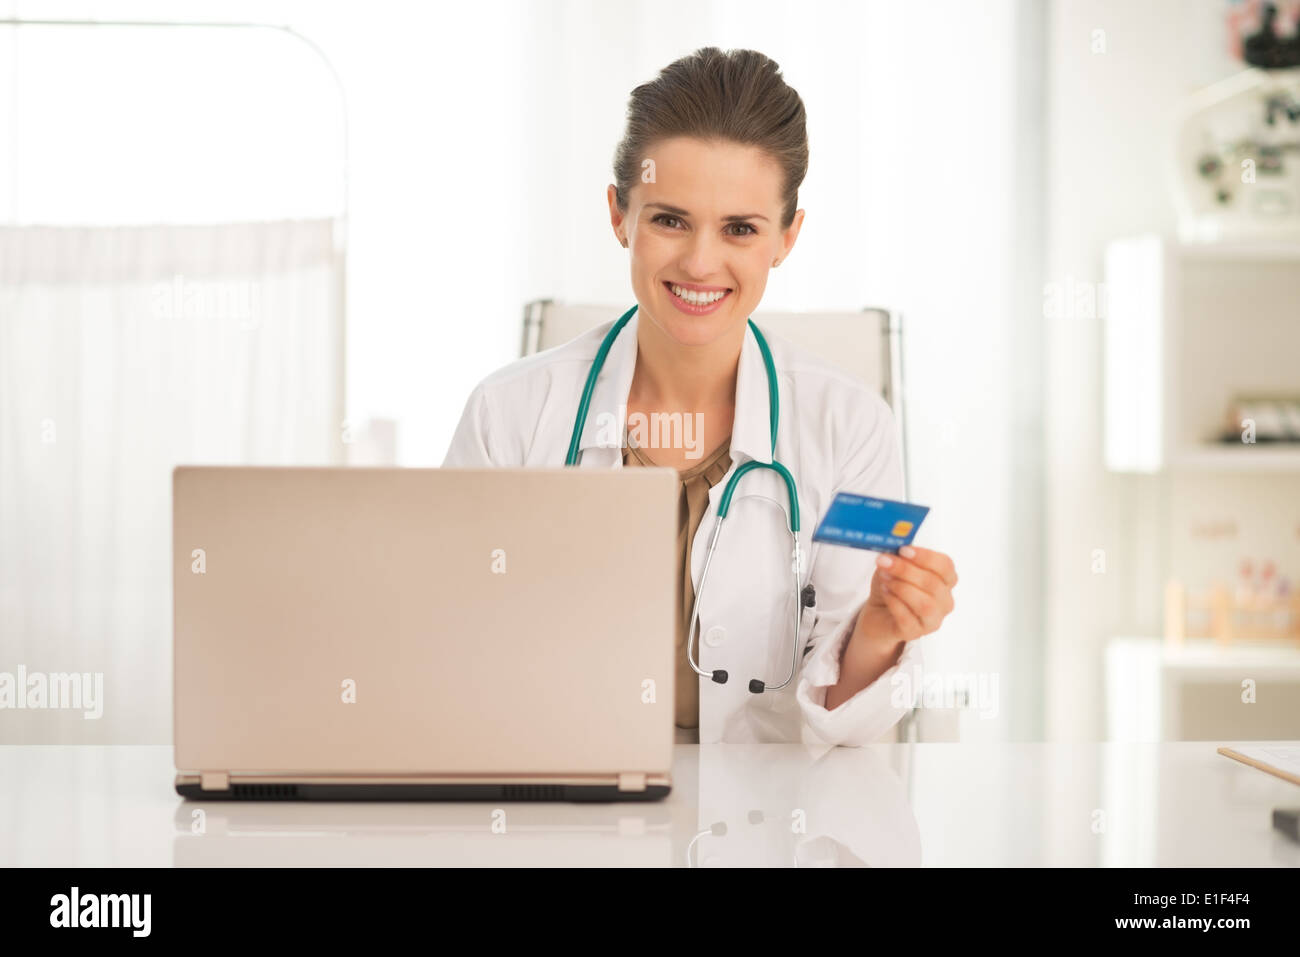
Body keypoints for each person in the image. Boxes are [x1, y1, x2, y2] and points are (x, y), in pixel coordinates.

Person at [443, 47, 957, 746]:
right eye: (669, 220)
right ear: (619, 216)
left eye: (740, 228)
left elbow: (849, 720)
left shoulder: (857, 426)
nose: (699, 262)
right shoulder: (506, 415)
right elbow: (452, 655)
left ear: (786, 239)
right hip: (563, 814)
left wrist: (882, 628)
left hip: (775, 828)